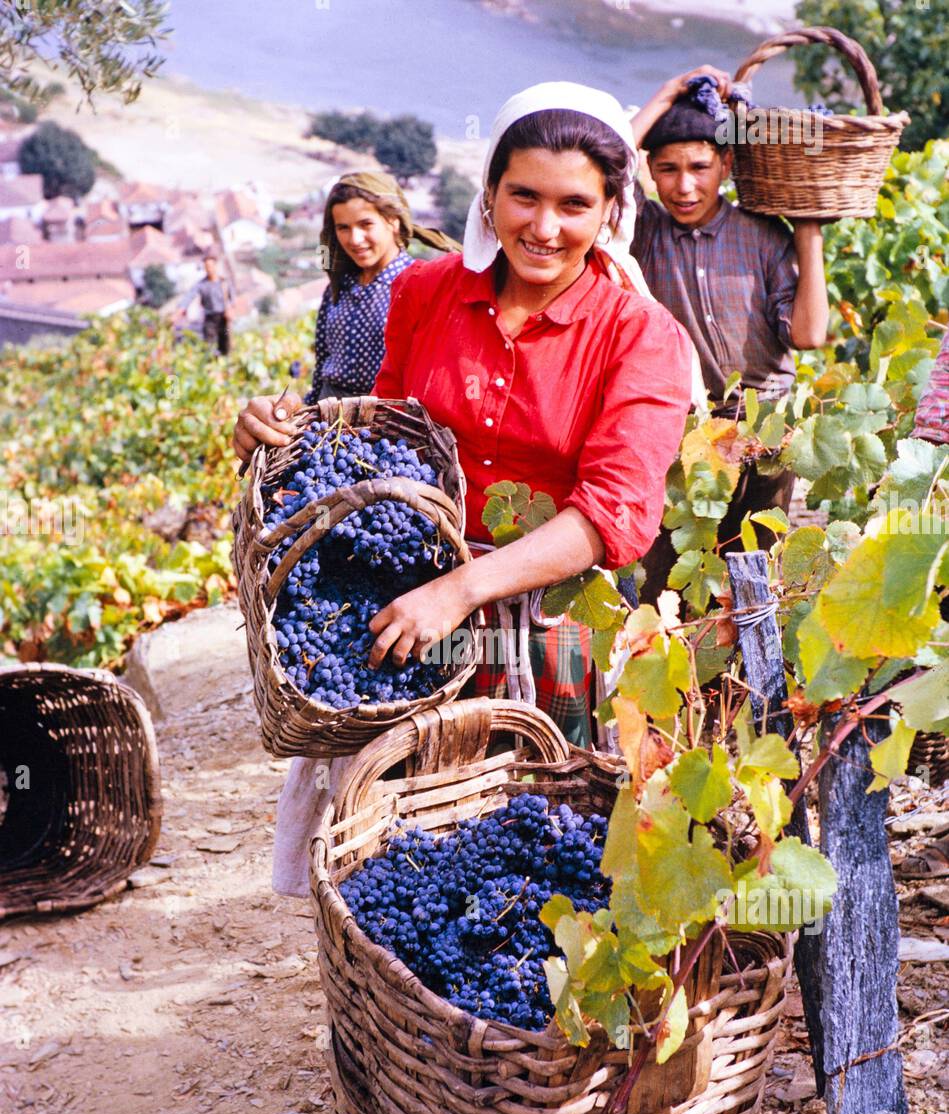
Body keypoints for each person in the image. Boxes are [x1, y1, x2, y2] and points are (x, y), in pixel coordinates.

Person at [232, 82, 694, 895]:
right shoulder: (425, 293)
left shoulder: (640, 336)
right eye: (523, 195)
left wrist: (459, 591)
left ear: (610, 212)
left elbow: (611, 517)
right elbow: (378, 448)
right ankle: (384, 1019)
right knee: (393, 863)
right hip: (404, 621)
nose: (543, 228)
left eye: (573, 205)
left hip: (548, 635)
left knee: (531, 868)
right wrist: (284, 435)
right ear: (488, 194)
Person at [629, 67, 830, 603]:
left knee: (755, 581)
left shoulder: (765, 238)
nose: (684, 185)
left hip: (765, 432)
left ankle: (748, 688)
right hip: (680, 433)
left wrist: (808, 230)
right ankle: (676, 680)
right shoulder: (644, 230)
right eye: (667, 169)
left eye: (699, 166)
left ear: (727, 163)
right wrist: (670, 89)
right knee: (668, 582)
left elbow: (809, 334)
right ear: (650, 171)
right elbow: (607, 163)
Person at [307, 171, 458, 402]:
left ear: (393, 222)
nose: (354, 239)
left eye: (365, 224)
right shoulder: (340, 287)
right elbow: (322, 364)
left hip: (385, 424)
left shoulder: (420, 284)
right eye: (343, 228)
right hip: (328, 417)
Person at [175, 254, 234, 355]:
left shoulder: (224, 283)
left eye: (211, 266)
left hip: (224, 319)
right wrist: (180, 310)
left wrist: (231, 311)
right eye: (207, 266)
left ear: (215, 266)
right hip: (210, 319)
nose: (209, 269)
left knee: (226, 345)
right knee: (208, 346)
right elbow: (190, 295)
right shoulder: (201, 285)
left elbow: (232, 300)